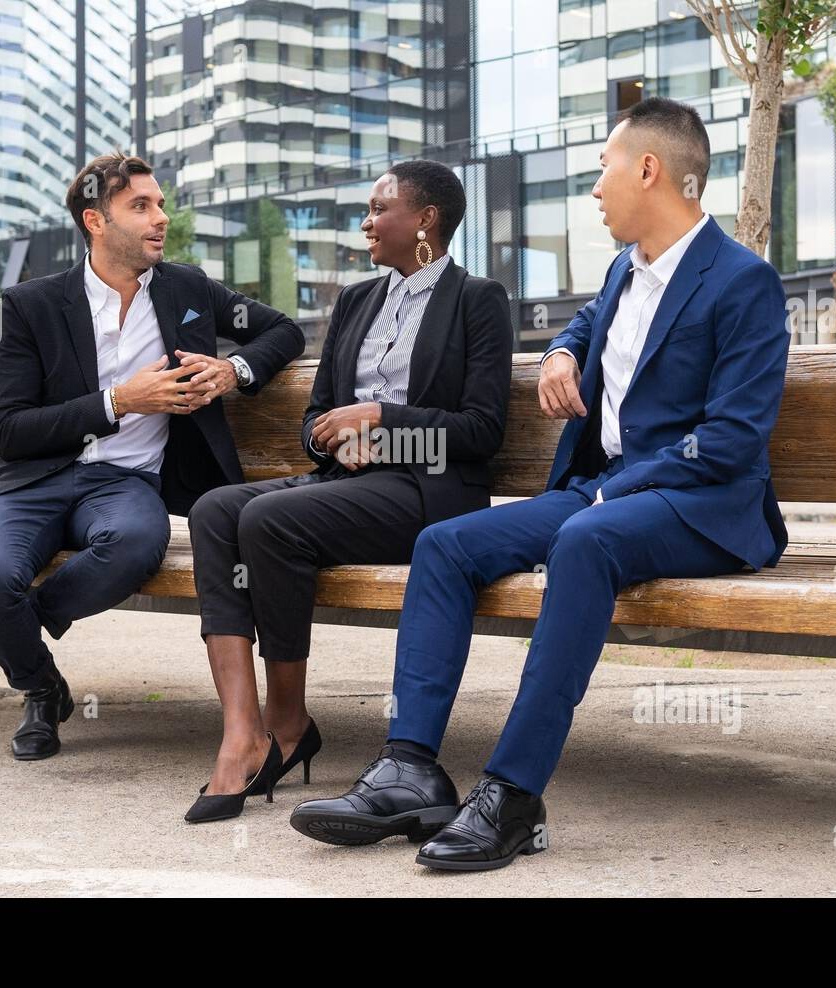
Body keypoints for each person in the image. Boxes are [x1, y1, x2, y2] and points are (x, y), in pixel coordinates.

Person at [292, 97, 792, 871]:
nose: (595, 187)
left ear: (649, 170)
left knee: (585, 540)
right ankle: (409, 769)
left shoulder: (743, 281)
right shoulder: (627, 268)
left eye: (604, 168)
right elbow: (589, 324)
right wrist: (562, 352)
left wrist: (611, 493)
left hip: (702, 503)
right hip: (603, 490)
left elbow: (731, 441)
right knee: (445, 545)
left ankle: (514, 795)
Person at [0, 152, 304, 761]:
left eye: (161, 204)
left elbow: (283, 330)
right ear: (96, 221)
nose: (161, 218)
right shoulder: (31, 305)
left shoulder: (188, 290)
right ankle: (42, 688)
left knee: (133, 545)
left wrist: (233, 370)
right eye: (141, 206)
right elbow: (11, 430)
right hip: (33, 480)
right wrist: (119, 401)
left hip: (126, 484)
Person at [182, 160, 513, 822]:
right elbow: (316, 419)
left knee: (271, 520)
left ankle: (288, 721)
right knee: (214, 511)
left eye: (379, 208)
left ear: (426, 220)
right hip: (345, 482)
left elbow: (481, 431)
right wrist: (331, 440)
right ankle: (242, 731)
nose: (366, 222)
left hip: (426, 491)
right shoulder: (357, 301)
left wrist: (383, 422)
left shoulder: (477, 300)